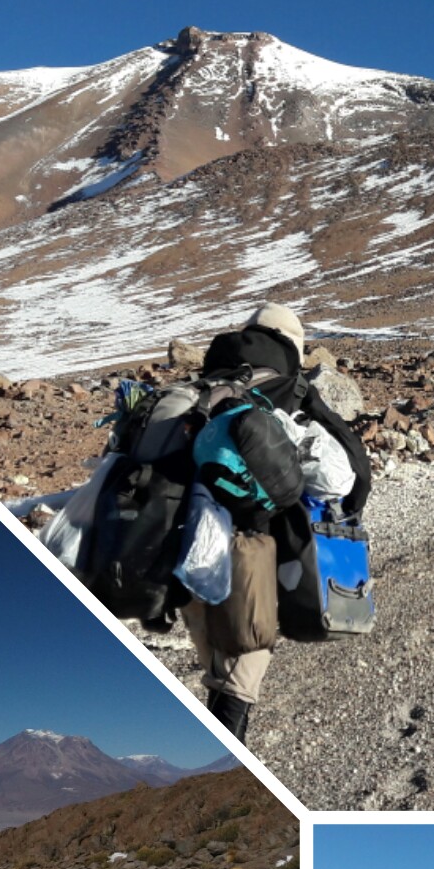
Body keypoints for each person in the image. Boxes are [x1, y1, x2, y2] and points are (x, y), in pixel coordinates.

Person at [182, 303, 372, 742]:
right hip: (253, 548)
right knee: (241, 671)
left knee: (217, 662)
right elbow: (350, 473)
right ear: (293, 344)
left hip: (187, 541)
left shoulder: (203, 384)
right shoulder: (291, 388)